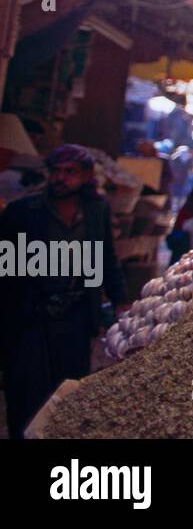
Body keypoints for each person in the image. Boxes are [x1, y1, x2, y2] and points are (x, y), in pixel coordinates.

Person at [0, 144, 127, 438]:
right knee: (26, 394)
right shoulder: (23, 212)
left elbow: (106, 258)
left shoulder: (96, 210)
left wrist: (120, 301)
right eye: (56, 171)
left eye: (70, 172)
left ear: (86, 175)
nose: (61, 178)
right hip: (32, 318)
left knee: (67, 393)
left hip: (75, 316)